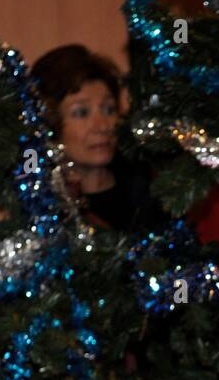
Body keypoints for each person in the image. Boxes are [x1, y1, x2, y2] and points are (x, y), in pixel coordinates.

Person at [31, 43, 168, 236]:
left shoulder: (149, 192)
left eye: (109, 109)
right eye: (81, 112)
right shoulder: (37, 203)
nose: (103, 126)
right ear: (50, 122)